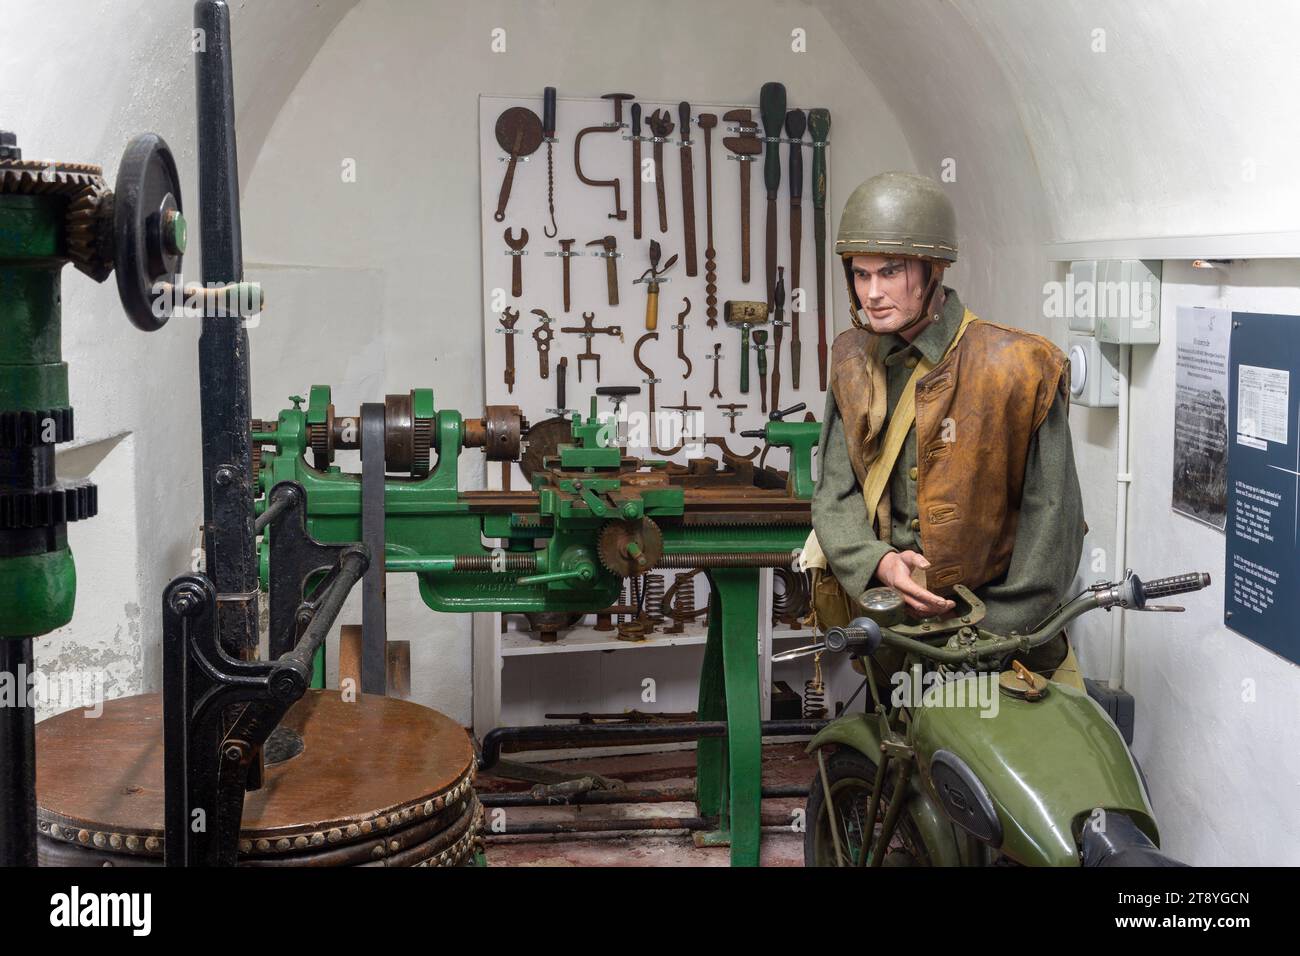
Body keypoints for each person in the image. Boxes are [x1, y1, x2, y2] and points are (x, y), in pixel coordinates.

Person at [810, 171, 1086, 675]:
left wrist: (990, 637)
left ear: (933, 270)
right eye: (860, 274)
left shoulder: (1021, 367)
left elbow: (1054, 527)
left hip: (1000, 644)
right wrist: (877, 562)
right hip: (891, 629)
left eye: (890, 272)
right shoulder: (852, 359)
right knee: (894, 749)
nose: (872, 293)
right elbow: (835, 491)